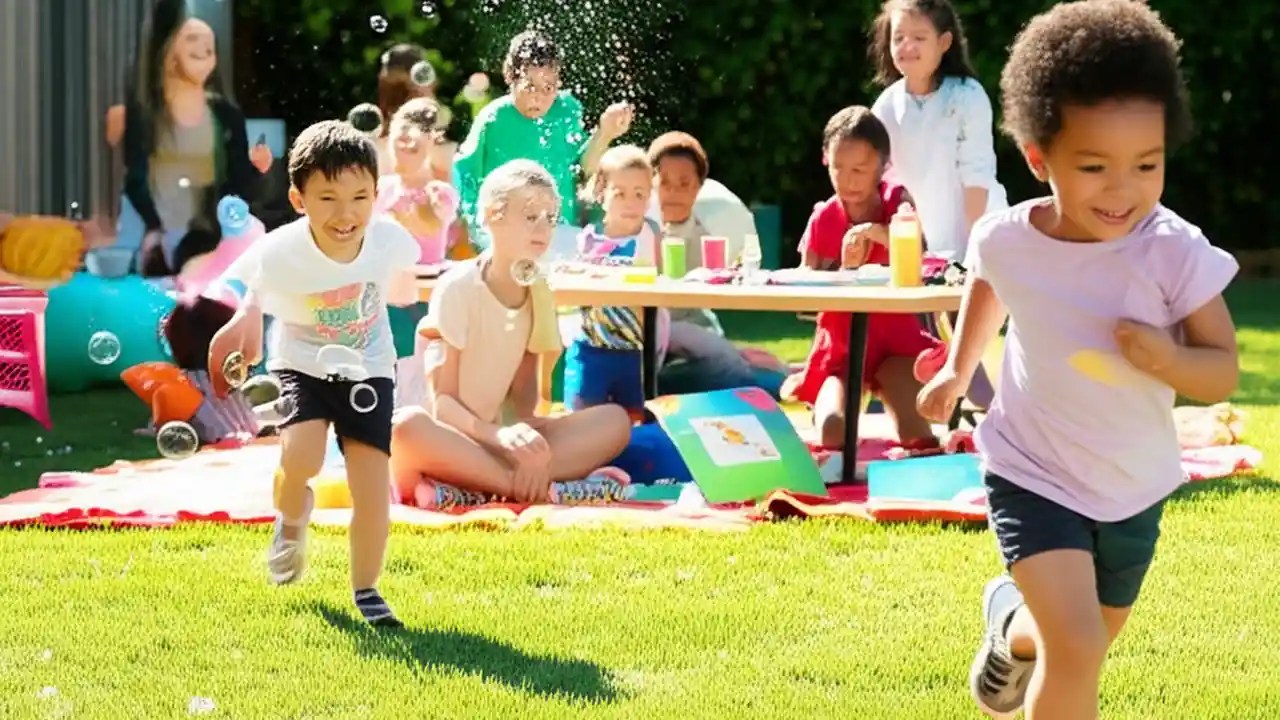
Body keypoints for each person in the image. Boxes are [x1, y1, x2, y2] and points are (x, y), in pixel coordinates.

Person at [916, 2, 1240, 717]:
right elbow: (990, 285)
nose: (1122, 190)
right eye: (1094, 167)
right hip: (1030, 470)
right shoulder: (1006, 238)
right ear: (1040, 158)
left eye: (1146, 165)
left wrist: (1167, 359)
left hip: (1132, 485)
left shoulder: (1172, 251)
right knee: (1079, 649)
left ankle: (1012, 632)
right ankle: (1038, 638)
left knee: (1085, 636)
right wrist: (954, 366)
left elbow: (1222, 370)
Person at [208, 120, 421, 628]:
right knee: (300, 459)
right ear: (299, 199)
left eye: (360, 197)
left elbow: (408, 285)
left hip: (368, 368)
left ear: (376, 196)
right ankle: (291, 517)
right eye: (327, 198)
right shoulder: (281, 248)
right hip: (301, 364)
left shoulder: (388, 239)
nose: (346, 214)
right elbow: (252, 292)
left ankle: (367, 588)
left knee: (371, 487)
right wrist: (245, 323)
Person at [389, 159, 632, 505]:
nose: (543, 229)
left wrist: (527, 443)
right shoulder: (458, 287)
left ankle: (481, 487)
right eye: (531, 216)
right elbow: (442, 406)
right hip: (447, 436)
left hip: (492, 443)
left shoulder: (537, 288)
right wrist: (500, 436)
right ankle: (530, 488)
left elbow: (523, 394)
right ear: (491, 215)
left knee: (616, 421)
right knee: (405, 427)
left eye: (549, 219)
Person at [782, 106, 942, 449]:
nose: (848, 180)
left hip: (895, 342)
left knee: (917, 435)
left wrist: (878, 235)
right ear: (826, 161)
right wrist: (844, 269)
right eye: (838, 168)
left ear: (882, 166)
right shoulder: (824, 217)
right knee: (832, 433)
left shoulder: (895, 202)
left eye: (859, 169)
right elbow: (805, 297)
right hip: (841, 344)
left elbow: (920, 254)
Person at [123, 2, 268, 273]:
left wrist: (256, 170)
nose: (202, 46)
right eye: (192, 39)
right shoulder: (147, 114)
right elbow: (134, 177)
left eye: (209, 44)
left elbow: (237, 185)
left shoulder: (225, 115)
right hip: (157, 237)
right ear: (169, 52)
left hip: (207, 235)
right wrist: (153, 227)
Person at [452, 30, 634, 241]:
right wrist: (478, 231)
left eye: (548, 88)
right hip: (507, 234)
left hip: (559, 229)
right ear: (510, 77)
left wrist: (605, 133)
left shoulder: (566, 110)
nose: (538, 97)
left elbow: (583, 169)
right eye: (530, 86)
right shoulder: (494, 119)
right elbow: (464, 177)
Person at [646, 131, 786, 398]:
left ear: (699, 186)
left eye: (684, 183)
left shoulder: (713, 232)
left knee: (754, 376)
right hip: (648, 338)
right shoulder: (639, 230)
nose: (673, 192)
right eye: (664, 183)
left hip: (695, 339)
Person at [868, 0, 1006, 261]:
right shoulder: (886, 106)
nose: (907, 46)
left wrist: (973, 256)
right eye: (898, 38)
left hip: (984, 243)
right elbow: (880, 180)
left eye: (919, 37)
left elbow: (976, 175)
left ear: (944, 42)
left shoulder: (968, 96)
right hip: (923, 250)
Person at [562, 145, 664, 419]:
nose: (630, 202)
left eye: (639, 194)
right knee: (584, 419)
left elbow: (660, 290)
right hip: (590, 349)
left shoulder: (650, 237)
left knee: (634, 418)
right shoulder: (587, 241)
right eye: (619, 194)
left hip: (634, 353)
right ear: (600, 193)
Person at [375, 97, 461, 409]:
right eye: (401, 137)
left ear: (431, 145)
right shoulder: (380, 189)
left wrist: (429, 207)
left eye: (416, 142)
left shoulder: (439, 193)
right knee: (387, 367)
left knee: (419, 372)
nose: (407, 143)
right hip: (387, 294)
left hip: (424, 296)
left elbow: (428, 224)